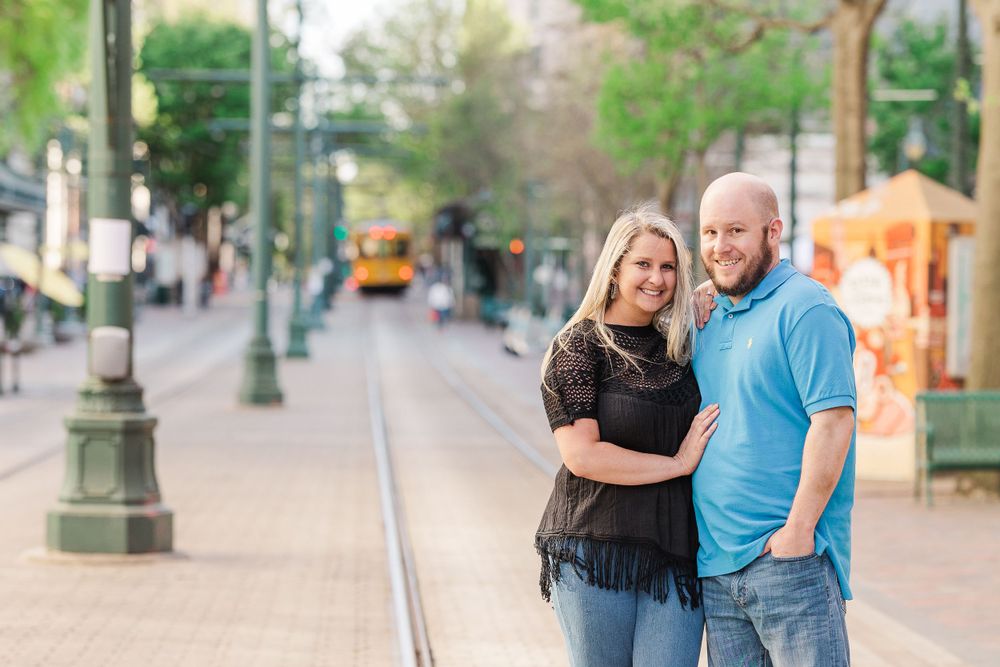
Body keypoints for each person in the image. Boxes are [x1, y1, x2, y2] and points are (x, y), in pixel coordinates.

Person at [535, 203, 720, 667]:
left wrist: (710, 289)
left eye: (669, 267)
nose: (656, 278)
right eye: (643, 264)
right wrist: (677, 464)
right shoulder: (579, 345)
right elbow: (584, 456)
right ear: (615, 268)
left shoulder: (680, 346)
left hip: (673, 551)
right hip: (595, 548)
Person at [692, 172, 857, 666]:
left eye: (736, 231)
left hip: (788, 562)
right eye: (710, 233)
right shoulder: (706, 313)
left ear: (772, 230)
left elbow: (833, 422)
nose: (721, 246)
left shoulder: (807, 310)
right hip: (716, 571)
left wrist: (798, 532)